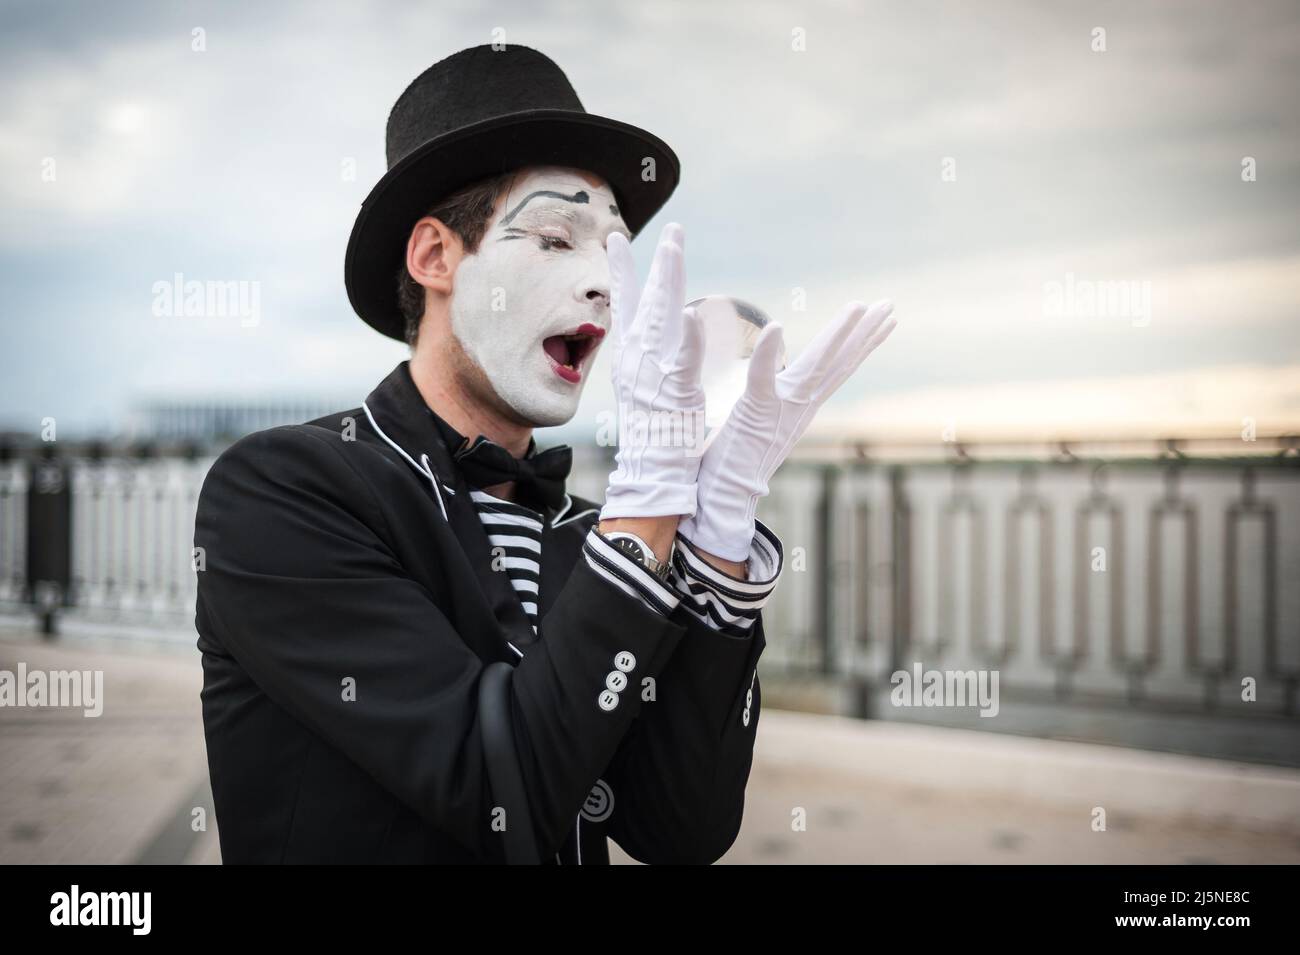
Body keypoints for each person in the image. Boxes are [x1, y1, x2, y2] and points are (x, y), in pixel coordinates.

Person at [194, 43, 896, 864]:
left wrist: (716, 533)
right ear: (435, 257)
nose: (604, 280)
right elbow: (499, 789)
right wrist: (646, 502)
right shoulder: (282, 490)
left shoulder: (590, 536)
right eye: (558, 238)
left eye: (614, 250)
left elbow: (682, 829)